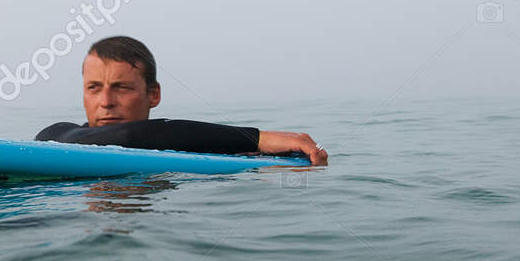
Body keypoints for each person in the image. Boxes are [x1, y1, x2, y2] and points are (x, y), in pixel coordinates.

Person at [35, 36, 327, 165]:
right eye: (94, 88)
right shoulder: (59, 136)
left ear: (154, 95)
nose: (106, 101)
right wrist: (257, 138)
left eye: (121, 88)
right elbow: (131, 135)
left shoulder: (191, 154)